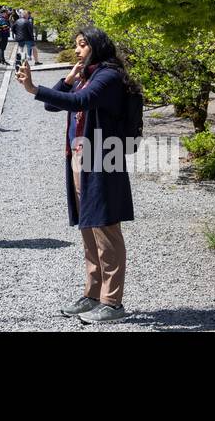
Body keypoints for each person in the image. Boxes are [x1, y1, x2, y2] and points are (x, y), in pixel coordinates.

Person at [16, 27, 135, 325]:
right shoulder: (87, 75)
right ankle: (93, 293)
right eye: (77, 45)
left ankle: (113, 302)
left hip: (103, 156)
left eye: (83, 45)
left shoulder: (108, 76)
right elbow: (52, 104)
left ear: (97, 46)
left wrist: (34, 88)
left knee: (105, 227)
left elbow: (81, 102)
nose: (78, 50)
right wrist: (67, 80)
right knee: (88, 226)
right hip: (80, 157)